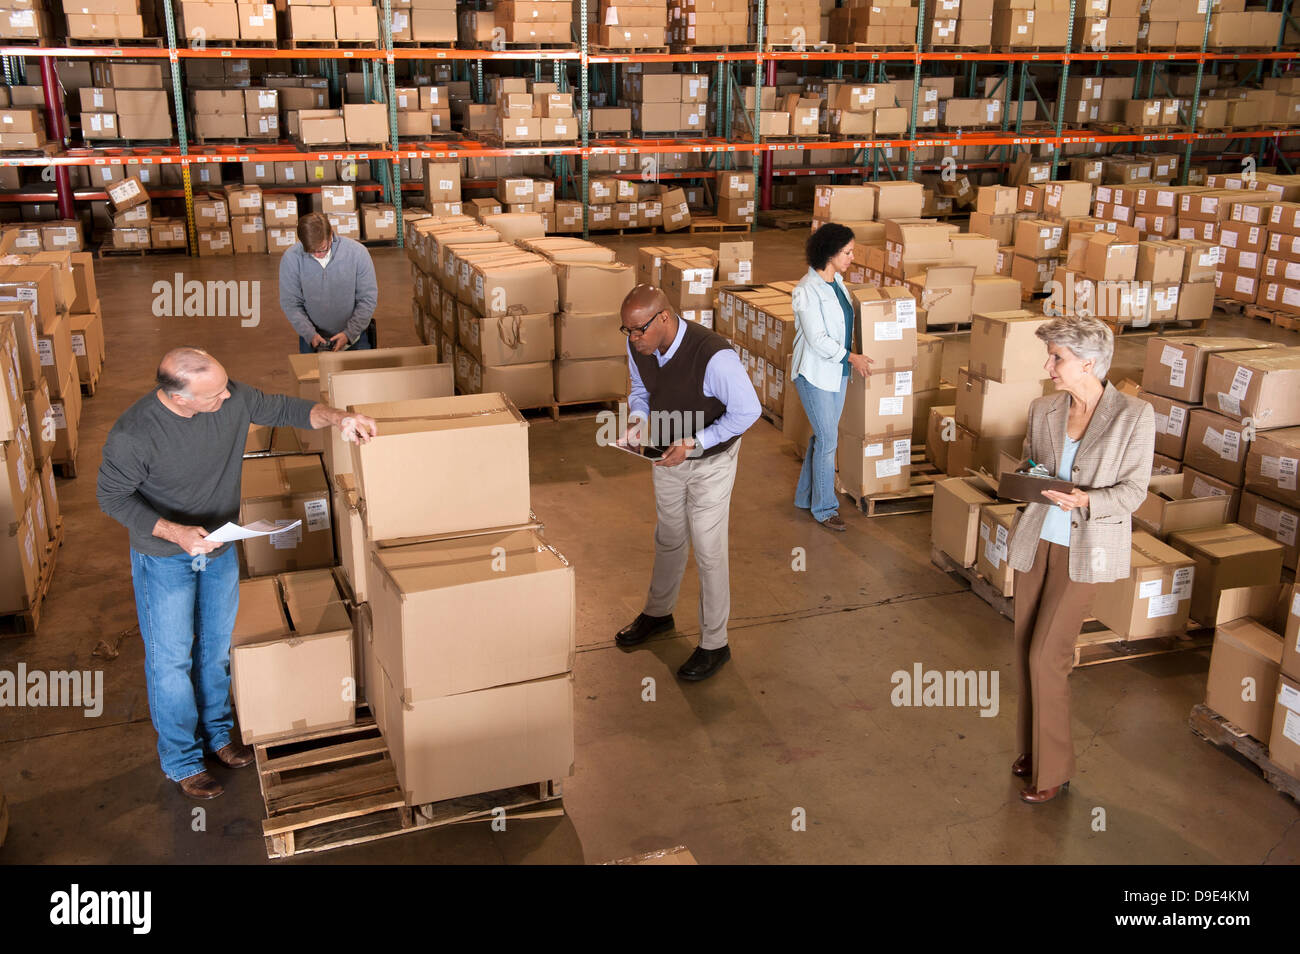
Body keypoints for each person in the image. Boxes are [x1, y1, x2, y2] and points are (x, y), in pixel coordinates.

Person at [96, 348, 379, 800]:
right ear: (179, 397)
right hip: (164, 556)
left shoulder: (230, 398)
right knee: (170, 661)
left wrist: (338, 418)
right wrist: (177, 533)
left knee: (215, 648)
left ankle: (219, 734)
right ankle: (182, 758)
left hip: (220, 545)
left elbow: (286, 408)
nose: (228, 396)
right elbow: (112, 497)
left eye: (227, 386)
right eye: (214, 393)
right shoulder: (133, 434)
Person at [1005, 316, 1154, 804]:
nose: (1049, 366)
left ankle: (1054, 768)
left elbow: (1133, 491)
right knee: (1027, 645)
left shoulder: (1134, 416)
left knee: (1047, 657)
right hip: (1036, 543)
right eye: (1050, 356)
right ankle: (1032, 748)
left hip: (1085, 550)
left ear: (1088, 362)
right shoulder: (1044, 408)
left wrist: (1088, 500)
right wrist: (1029, 474)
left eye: (1057, 358)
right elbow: (1031, 461)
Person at [613, 285, 761, 682]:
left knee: (709, 550)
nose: (632, 338)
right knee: (669, 536)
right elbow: (642, 390)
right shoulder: (639, 345)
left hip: (710, 461)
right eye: (626, 331)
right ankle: (658, 614)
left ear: (663, 318)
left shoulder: (713, 357)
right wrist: (640, 421)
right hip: (665, 455)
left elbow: (748, 410)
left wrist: (696, 443)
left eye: (638, 330)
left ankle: (715, 643)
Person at [789, 223, 874, 531]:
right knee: (828, 439)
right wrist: (853, 357)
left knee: (824, 436)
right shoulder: (806, 290)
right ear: (831, 252)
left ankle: (805, 496)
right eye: (848, 252)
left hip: (837, 371)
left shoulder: (837, 281)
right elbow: (817, 339)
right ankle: (825, 509)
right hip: (813, 373)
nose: (852, 258)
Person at [279, 211, 379, 354]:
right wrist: (310, 334)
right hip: (313, 340)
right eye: (312, 252)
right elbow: (291, 303)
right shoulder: (291, 259)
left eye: (322, 249)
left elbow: (367, 299)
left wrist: (349, 334)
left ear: (331, 234)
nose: (318, 255)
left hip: (355, 337)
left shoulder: (357, 253)